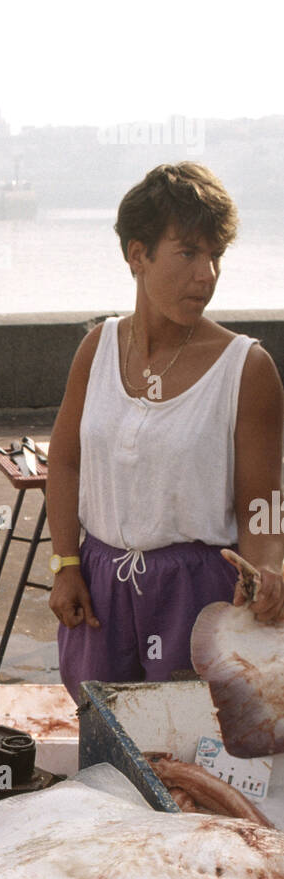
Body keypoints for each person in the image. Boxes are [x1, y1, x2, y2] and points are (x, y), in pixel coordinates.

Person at [47, 162, 284, 701]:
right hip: (101, 587)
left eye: (216, 255)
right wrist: (65, 564)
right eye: (189, 253)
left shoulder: (246, 368)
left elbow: (263, 502)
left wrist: (267, 571)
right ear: (138, 255)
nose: (208, 274)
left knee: (186, 760)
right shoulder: (97, 349)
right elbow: (64, 462)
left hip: (196, 596)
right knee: (103, 750)